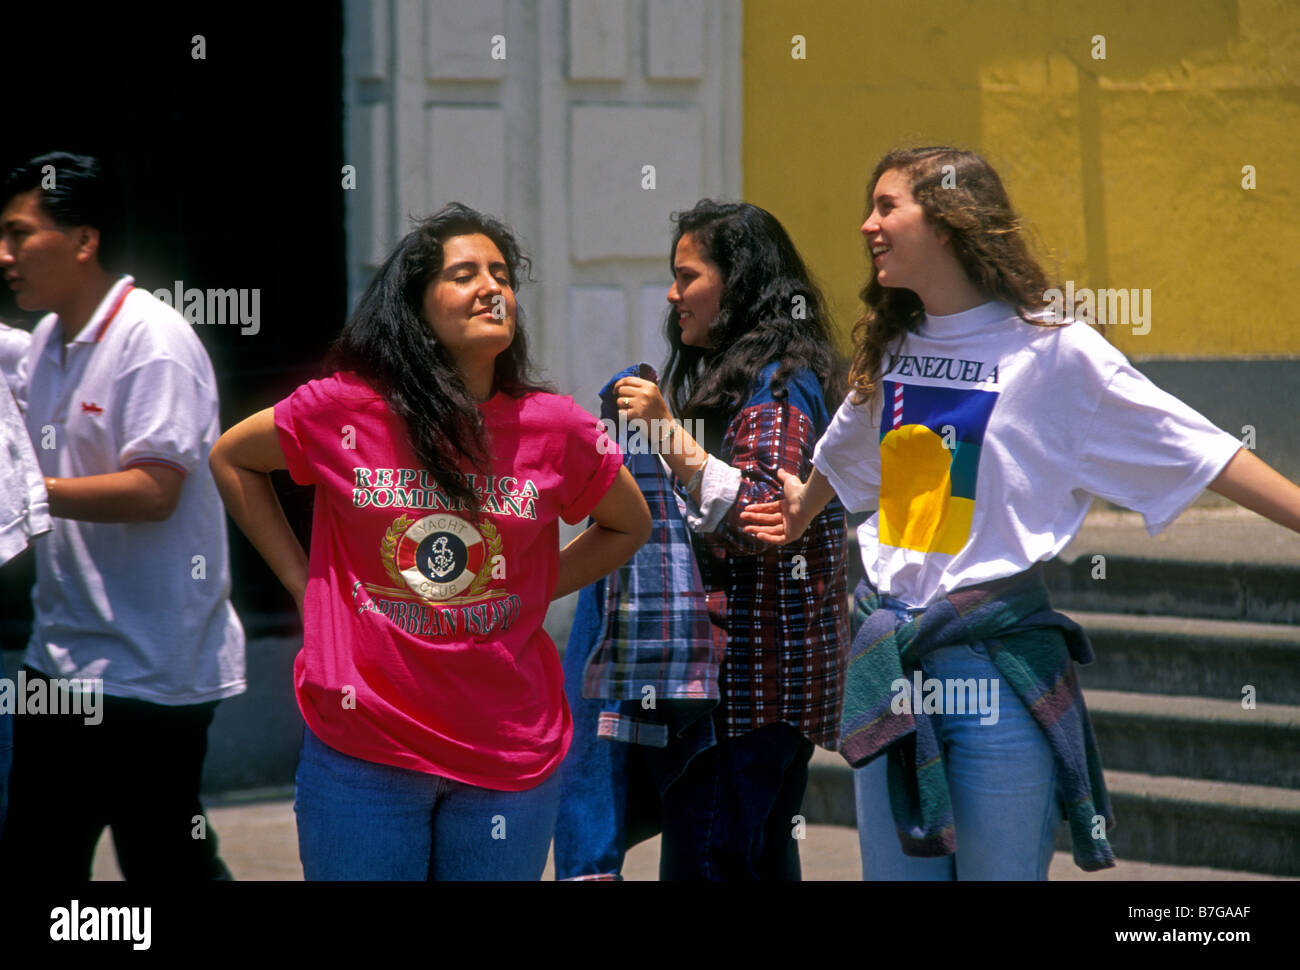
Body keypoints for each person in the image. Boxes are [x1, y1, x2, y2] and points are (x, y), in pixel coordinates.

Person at [741, 145, 1300, 880]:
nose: (866, 225)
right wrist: (800, 509)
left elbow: (1200, 449)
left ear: (946, 221)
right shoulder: (895, 346)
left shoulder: (1056, 353)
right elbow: (846, 448)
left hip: (993, 671)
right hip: (890, 666)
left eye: (887, 206)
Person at [209, 202, 651, 881]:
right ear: (416, 306)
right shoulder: (344, 408)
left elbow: (630, 523)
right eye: (465, 273)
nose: (492, 288)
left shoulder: (554, 428)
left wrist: (534, 584)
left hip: (507, 758)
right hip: (365, 749)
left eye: (502, 275)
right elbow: (233, 459)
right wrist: (307, 584)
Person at [0, 151, 245, 880]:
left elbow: (153, 490)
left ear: (85, 239)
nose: (4, 255)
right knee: (33, 866)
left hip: (153, 673)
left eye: (19, 234)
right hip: (60, 659)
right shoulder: (47, 342)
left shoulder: (154, 341)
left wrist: (27, 494)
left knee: (167, 863)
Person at [611, 199, 848, 879]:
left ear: (737, 283)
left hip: (741, 701)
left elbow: (766, 520)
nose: (672, 294)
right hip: (763, 703)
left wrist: (665, 434)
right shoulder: (769, 378)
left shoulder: (775, 387)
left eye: (688, 277)